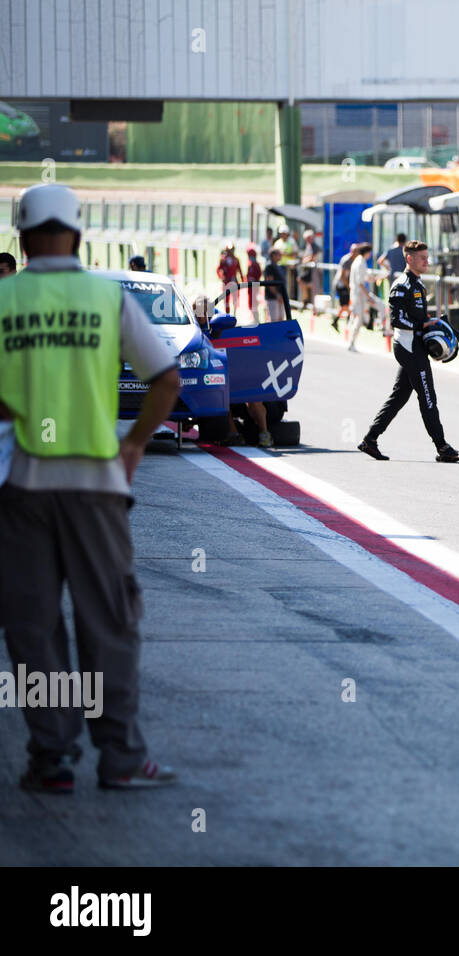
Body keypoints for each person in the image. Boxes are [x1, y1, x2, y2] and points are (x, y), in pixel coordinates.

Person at [0, 183, 182, 792]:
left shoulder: (4, 299)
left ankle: (51, 757)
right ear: (78, 233)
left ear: (22, 237)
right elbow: (166, 380)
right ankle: (121, 756)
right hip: (98, 487)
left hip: (22, 487)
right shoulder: (107, 299)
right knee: (108, 620)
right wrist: (135, 444)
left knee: (33, 626)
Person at [357, 240, 459, 463]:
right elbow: (397, 320)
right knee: (427, 397)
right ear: (409, 258)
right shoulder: (401, 285)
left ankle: (370, 440)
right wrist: (422, 325)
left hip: (415, 346)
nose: (427, 261)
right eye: (422, 258)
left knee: (399, 397)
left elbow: (417, 317)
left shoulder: (418, 284)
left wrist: (432, 323)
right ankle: (443, 447)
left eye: (427, 257)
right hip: (408, 348)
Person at [192, 296, 271, 448]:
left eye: (202, 312)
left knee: (253, 397)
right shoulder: (192, 325)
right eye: (196, 312)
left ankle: (265, 433)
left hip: (236, 368)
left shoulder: (220, 320)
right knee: (221, 397)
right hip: (215, 373)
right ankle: (233, 435)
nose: (199, 316)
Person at [346, 243, 372, 352]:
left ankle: (351, 340)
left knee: (356, 317)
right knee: (359, 318)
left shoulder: (358, 261)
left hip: (356, 293)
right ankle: (351, 342)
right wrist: (368, 296)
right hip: (358, 294)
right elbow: (361, 282)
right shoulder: (361, 262)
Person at [333, 243, 358, 332]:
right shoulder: (347, 260)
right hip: (341, 285)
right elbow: (342, 276)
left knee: (345, 305)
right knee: (345, 305)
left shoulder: (354, 260)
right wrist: (349, 286)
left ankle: (339, 321)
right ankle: (344, 321)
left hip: (345, 285)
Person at [216, 243, 244, 313]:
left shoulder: (236, 260)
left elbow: (239, 270)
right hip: (226, 282)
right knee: (226, 299)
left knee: (235, 298)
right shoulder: (223, 260)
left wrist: (242, 279)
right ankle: (227, 314)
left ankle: (234, 313)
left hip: (234, 281)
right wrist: (221, 277)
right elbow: (218, 269)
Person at [263, 247, 289, 323]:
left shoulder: (280, 266)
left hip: (281, 296)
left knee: (281, 319)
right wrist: (277, 295)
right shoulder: (269, 267)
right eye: (279, 254)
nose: (281, 256)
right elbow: (270, 283)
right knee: (274, 320)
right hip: (273, 297)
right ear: (273, 256)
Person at [298, 229, 320, 313]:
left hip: (313, 271)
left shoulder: (314, 246)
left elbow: (313, 257)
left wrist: (305, 260)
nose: (307, 240)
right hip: (308, 270)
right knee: (302, 281)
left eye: (308, 238)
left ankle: (313, 307)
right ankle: (305, 300)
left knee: (314, 288)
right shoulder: (308, 246)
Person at [245, 245, 263, 321]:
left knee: (254, 303)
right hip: (250, 287)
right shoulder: (250, 264)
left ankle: (256, 319)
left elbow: (259, 274)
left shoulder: (256, 265)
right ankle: (253, 317)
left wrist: (254, 280)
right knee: (251, 303)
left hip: (254, 287)